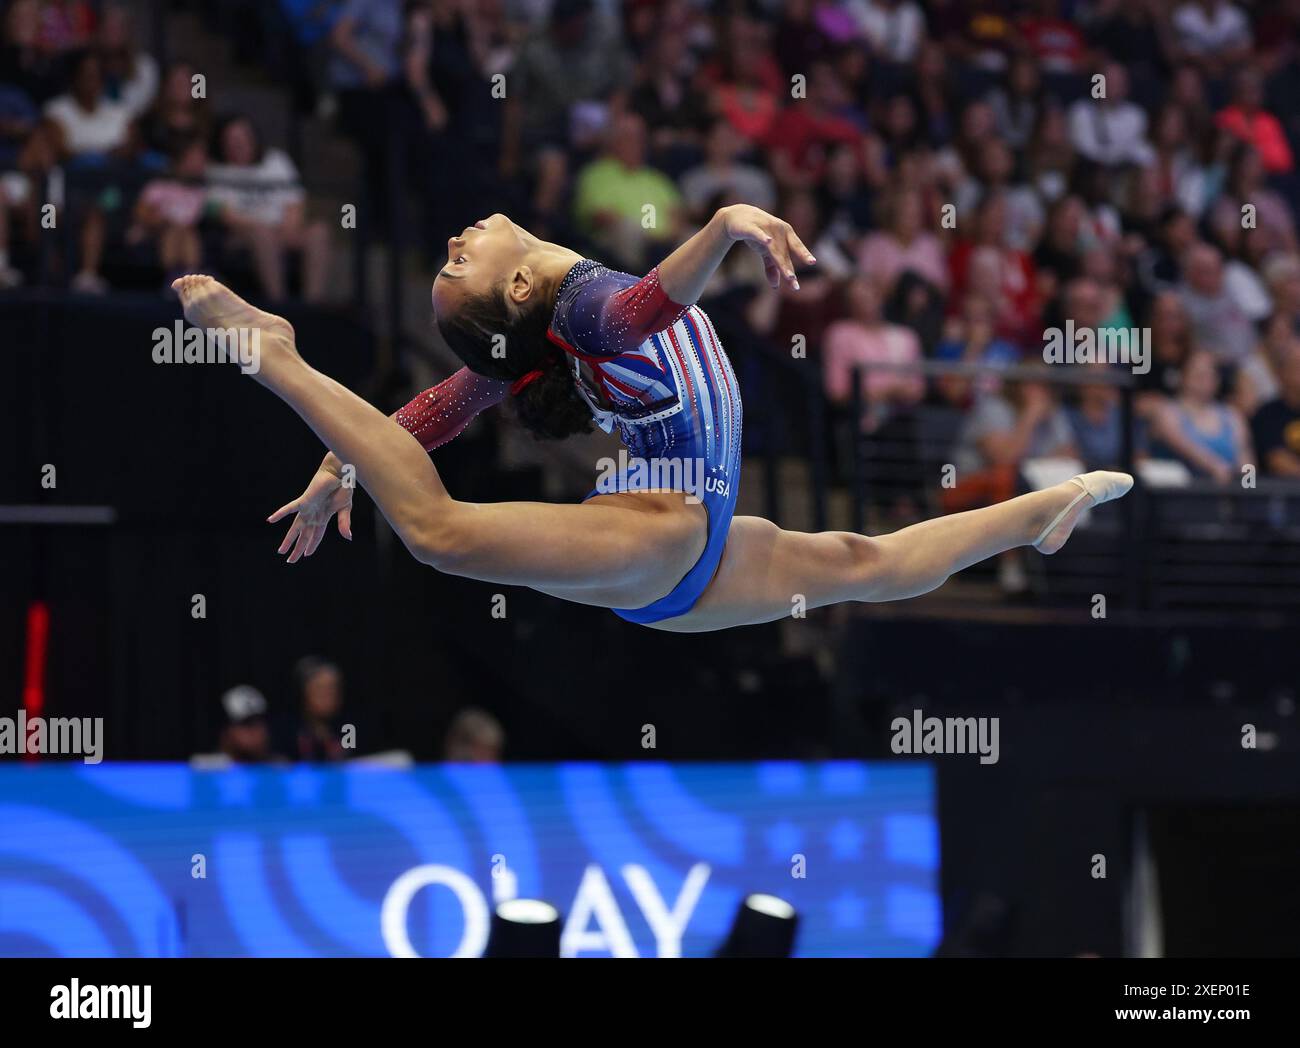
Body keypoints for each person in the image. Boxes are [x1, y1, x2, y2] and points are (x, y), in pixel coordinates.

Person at [172, 205, 1131, 633]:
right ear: (516, 282)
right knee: (437, 532)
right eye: (455, 266)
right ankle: (275, 357)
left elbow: (436, 410)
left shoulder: (552, 336)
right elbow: (648, 311)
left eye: (446, 260)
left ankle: (1048, 510)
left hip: (690, 564)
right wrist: (722, 226)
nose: (453, 243)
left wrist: (343, 466)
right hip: (664, 534)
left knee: (865, 565)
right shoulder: (588, 306)